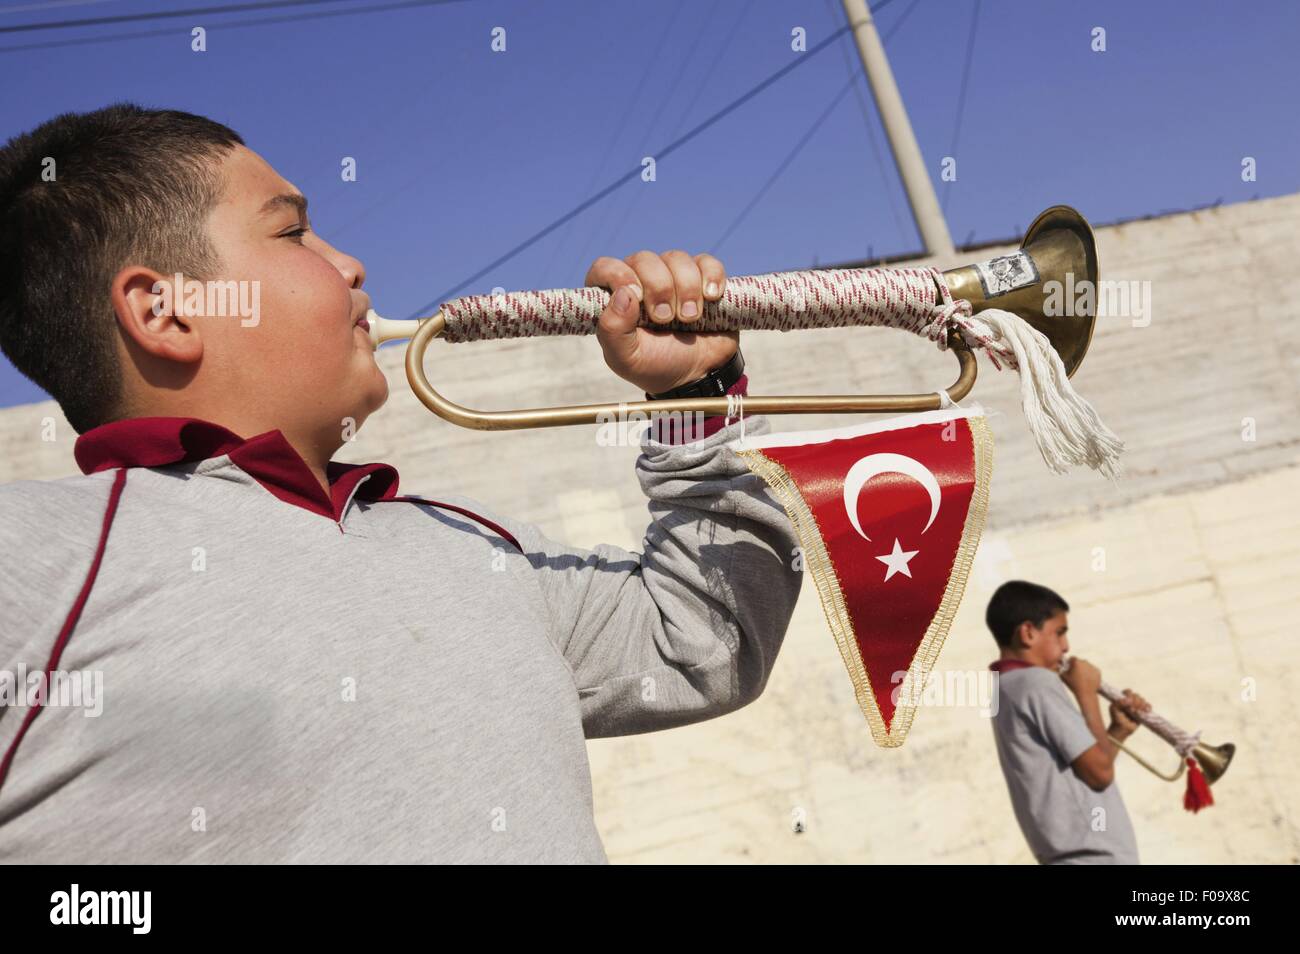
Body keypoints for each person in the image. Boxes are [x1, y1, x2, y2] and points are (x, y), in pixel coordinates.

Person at [0, 104, 802, 863]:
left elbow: (707, 646)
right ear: (165, 311)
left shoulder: (475, 542)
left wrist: (696, 399)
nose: (350, 263)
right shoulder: (30, 552)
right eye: (293, 232)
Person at [984, 580, 1150, 864]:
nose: (1066, 646)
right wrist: (1086, 694)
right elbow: (1100, 774)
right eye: (1059, 633)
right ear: (1027, 633)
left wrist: (1117, 732)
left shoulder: (1006, 689)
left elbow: (1083, 769)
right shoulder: (1036, 683)